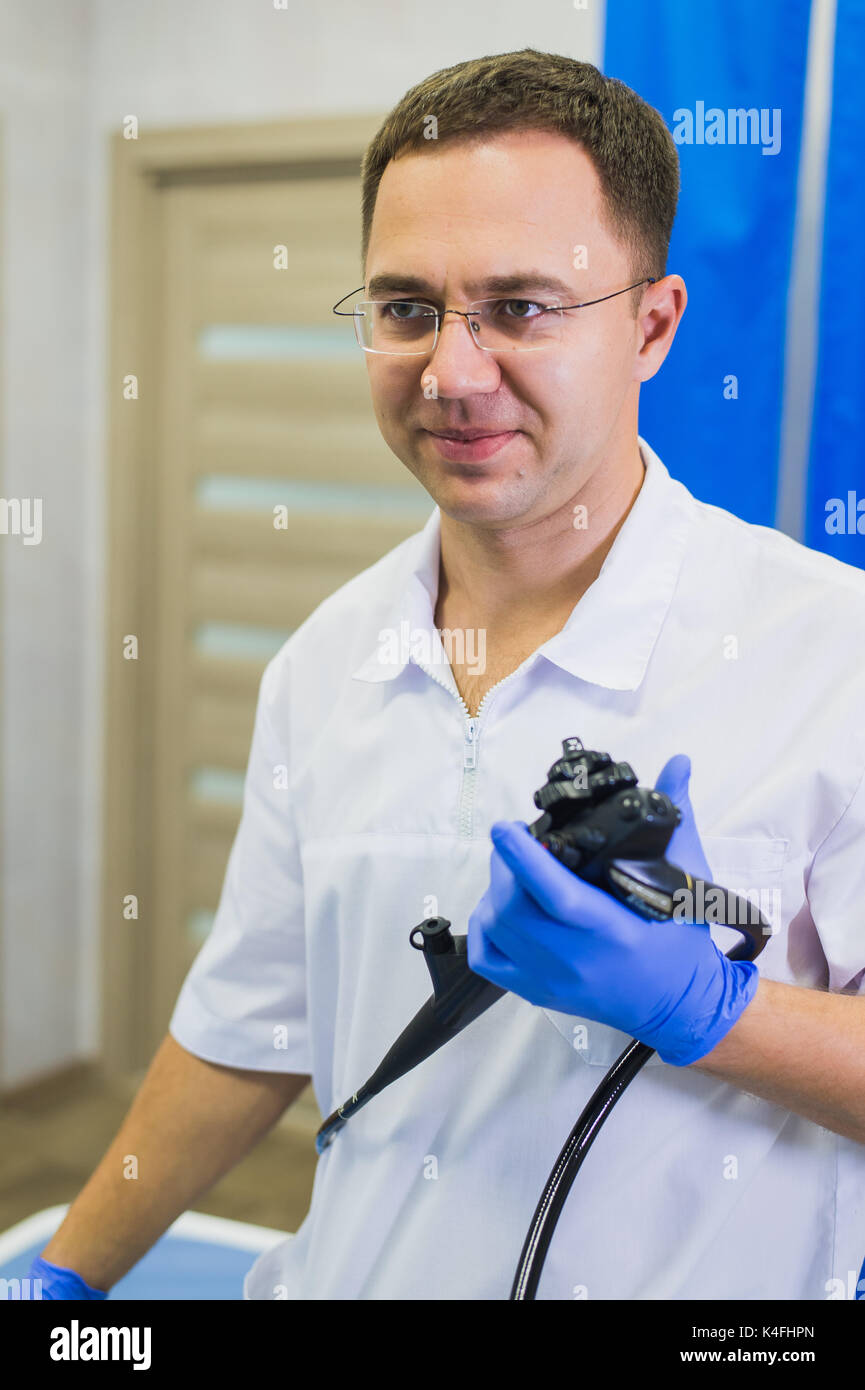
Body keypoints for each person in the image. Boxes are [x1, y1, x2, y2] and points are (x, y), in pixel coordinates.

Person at [31, 49, 865, 1302]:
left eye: (521, 308)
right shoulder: (326, 664)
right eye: (407, 307)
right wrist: (67, 1278)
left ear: (651, 325)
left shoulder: (824, 650)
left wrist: (708, 1008)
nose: (453, 374)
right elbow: (247, 1034)